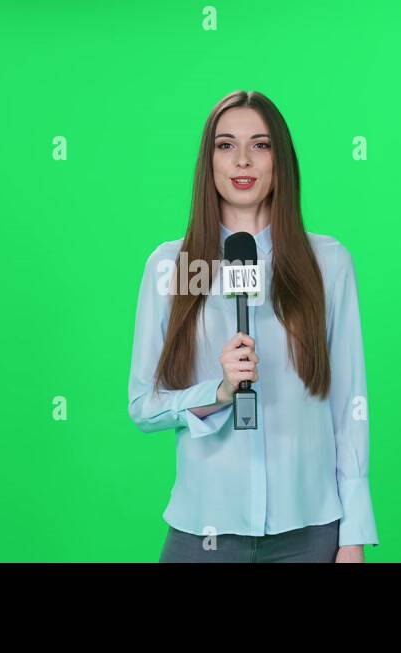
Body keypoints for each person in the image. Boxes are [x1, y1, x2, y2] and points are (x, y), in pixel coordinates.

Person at [127, 90, 379, 563]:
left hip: (310, 533)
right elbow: (144, 405)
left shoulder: (328, 263)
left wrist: (354, 535)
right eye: (226, 145)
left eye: (260, 145)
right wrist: (217, 393)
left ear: (280, 160)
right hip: (203, 533)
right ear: (209, 161)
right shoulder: (171, 266)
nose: (242, 160)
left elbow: (350, 406)